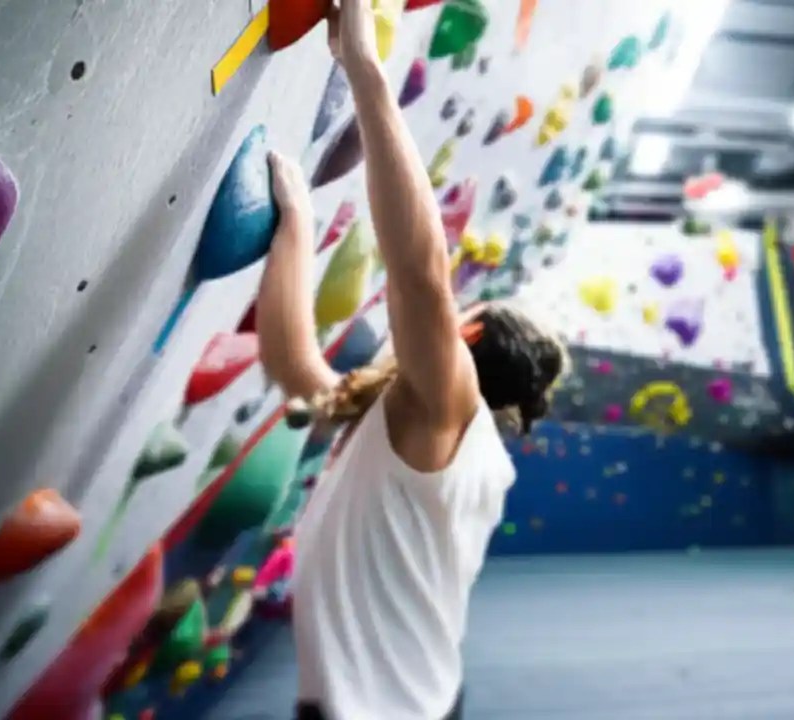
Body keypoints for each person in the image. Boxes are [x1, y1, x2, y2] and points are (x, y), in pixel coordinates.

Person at [253, 0, 569, 716]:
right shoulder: (418, 432)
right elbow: (295, 366)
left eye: (464, 317)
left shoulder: (449, 411)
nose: (443, 319)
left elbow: (422, 274)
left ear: (472, 342)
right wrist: (296, 226)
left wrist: (365, 69)